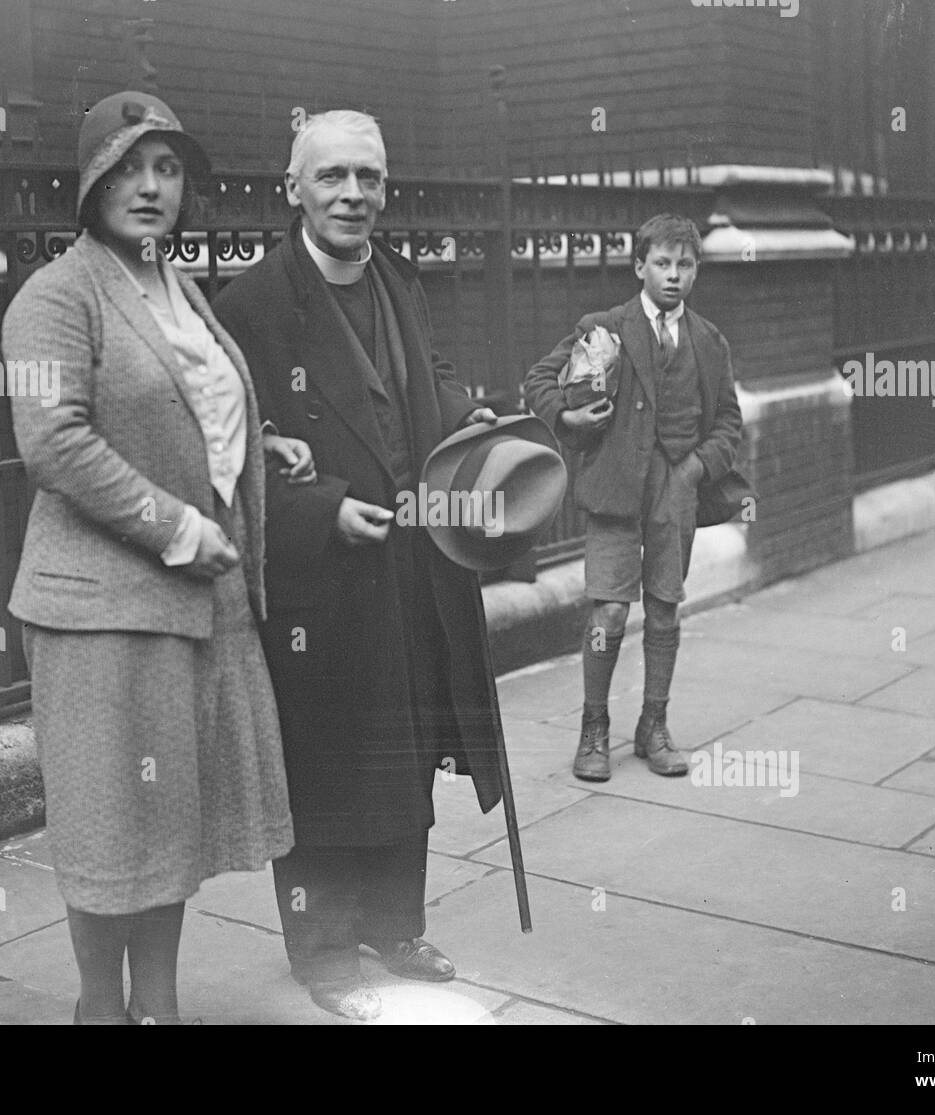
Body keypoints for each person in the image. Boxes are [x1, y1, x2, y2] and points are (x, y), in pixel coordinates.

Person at [3, 91, 314, 1024]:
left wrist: (256, 443)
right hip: (98, 612)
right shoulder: (54, 296)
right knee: (110, 825)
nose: (150, 187)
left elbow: (173, 409)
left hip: (190, 608)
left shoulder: (176, 286)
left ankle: (163, 1006)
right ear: (91, 181)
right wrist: (180, 526)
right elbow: (52, 442)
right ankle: (102, 1008)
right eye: (130, 166)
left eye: (169, 167)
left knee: (168, 820)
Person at [211, 109, 506, 1022]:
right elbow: (231, 452)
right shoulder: (251, 304)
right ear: (291, 189)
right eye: (332, 176)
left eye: (368, 178)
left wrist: (468, 418)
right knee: (327, 763)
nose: (353, 195)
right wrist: (319, 508)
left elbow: (430, 377)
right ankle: (324, 946)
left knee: (409, 747)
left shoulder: (398, 280)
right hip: (320, 587)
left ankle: (395, 924)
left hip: (416, 564)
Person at [524, 213, 743, 782]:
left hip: (676, 492)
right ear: (639, 266)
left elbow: (727, 422)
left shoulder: (708, 342)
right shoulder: (605, 327)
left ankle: (654, 725)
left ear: (696, 271)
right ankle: (593, 728)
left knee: (667, 606)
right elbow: (537, 382)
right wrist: (568, 414)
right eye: (663, 264)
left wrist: (695, 468)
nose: (673, 276)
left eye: (685, 265)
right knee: (610, 609)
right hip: (616, 488)